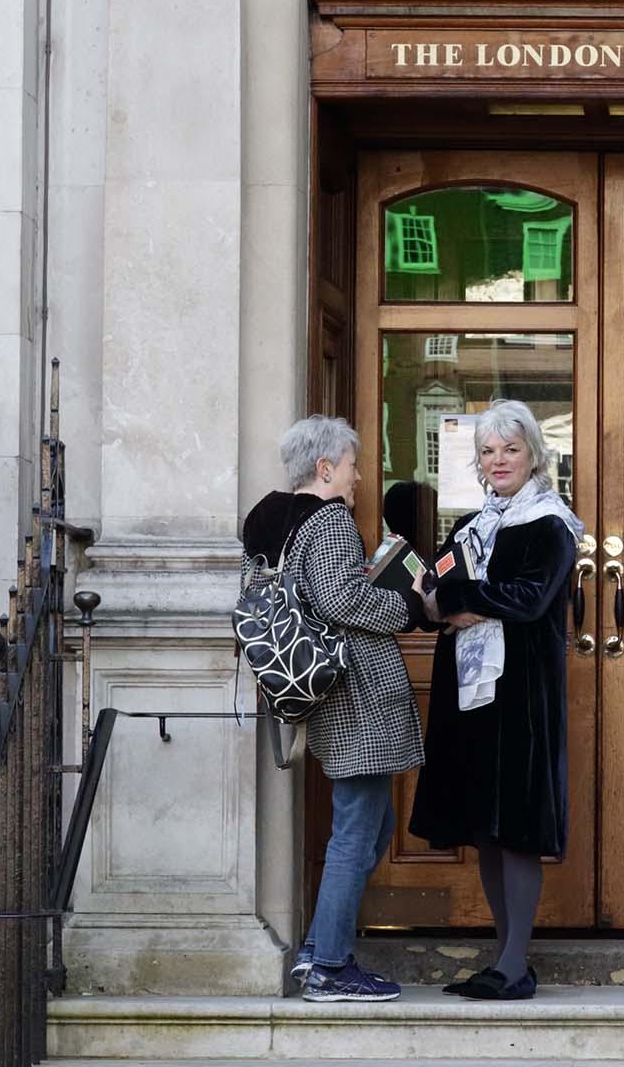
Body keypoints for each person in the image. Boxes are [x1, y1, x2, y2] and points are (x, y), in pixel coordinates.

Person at [241, 415, 428, 1003]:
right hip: (356, 695)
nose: (357, 479)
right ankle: (329, 967)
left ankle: (320, 946)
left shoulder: (268, 523)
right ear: (325, 469)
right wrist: (410, 604)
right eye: (351, 466)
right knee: (357, 830)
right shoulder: (328, 522)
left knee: (372, 828)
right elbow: (341, 597)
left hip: (319, 688)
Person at [410, 399, 584, 1001]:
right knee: (484, 826)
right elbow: (440, 597)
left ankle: (515, 964)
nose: (499, 460)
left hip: (521, 696)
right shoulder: (469, 526)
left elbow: (530, 599)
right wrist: (432, 601)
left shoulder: (552, 524)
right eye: (488, 451)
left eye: (511, 449)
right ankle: (504, 959)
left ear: (534, 455)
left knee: (514, 826)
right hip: (469, 692)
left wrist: (464, 597)